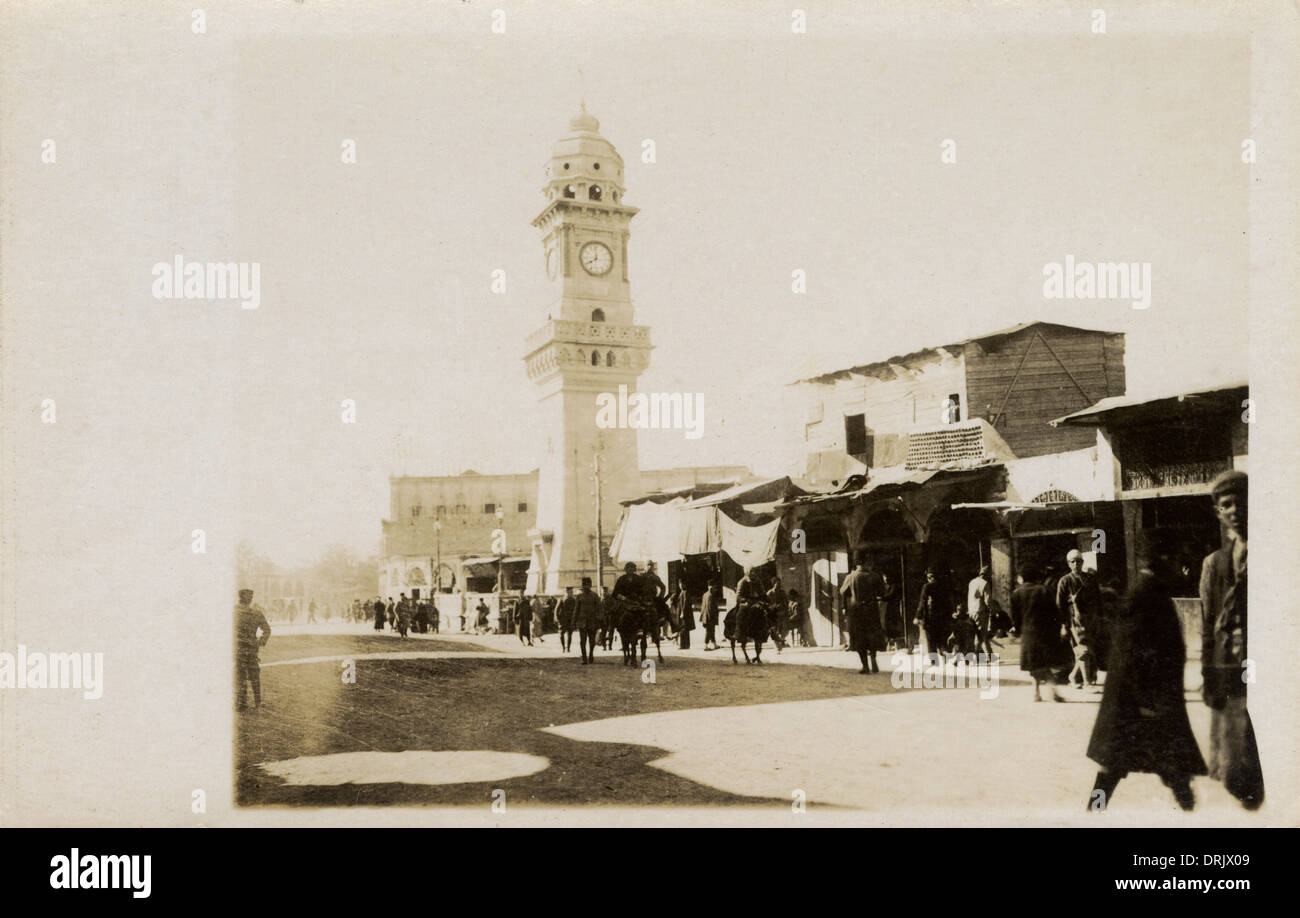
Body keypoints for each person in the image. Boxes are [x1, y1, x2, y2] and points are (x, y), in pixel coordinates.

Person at [1087, 536, 1206, 811]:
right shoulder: (1146, 591)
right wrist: (1145, 701)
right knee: (1120, 767)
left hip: (1145, 703)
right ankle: (1091, 814)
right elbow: (1129, 653)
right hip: (1141, 704)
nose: (1182, 567)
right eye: (1178, 560)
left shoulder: (1151, 588)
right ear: (1163, 559)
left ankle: (1093, 813)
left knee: (1154, 766)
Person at [1199, 470, 1263, 810]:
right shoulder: (1215, 563)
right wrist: (1207, 674)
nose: (1235, 509)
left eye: (1241, 502)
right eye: (1227, 504)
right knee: (1236, 769)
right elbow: (1209, 622)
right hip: (1228, 667)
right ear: (1218, 513)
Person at [1014, 563, 1072, 702]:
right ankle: (1052, 692)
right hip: (1044, 632)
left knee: (1034, 664)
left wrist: (1017, 631)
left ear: (1022, 577)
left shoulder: (1016, 593)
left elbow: (1015, 617)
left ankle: (1037, 692)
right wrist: (1059, 628)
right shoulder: (1043, 590)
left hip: (1027, 633)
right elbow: (1054, 612)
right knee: (1044, 664)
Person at [1057, 550, 1101, 689]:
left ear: (1083, 562)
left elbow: (1098, 599)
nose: (1076, 564)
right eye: (1073, 561)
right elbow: (1059, 605)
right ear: (1068, 564)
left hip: (1091, 619)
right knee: (1083, 650)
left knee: (1087, 650)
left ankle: (1074, 677)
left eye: (1079, 560)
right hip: (1075, 620)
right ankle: (1087, 682)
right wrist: (1063, 624)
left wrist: (1099, 617)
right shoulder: (1065, 580)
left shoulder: (1090, 579)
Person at [840, 552, 886, 673]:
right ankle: (874, 661)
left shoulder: (850, 577)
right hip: (871, 610)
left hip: (856, 611)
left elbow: (843, 592)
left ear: (856, 563)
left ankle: (865, 666)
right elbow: (882, 593)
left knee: (859, 637)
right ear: (866, 562)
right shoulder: (875, 576)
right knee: (872, 635)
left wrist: (844, 606)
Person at [235, 589, 271, 711]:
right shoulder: (256, 613)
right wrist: (261, 642)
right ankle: (257, 702)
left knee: (240, 675)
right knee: (254, 675)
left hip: (238, 649)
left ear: (239, 598)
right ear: (250, 599)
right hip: (252, 649)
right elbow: (267, 629)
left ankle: (242, 703)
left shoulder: (233, 613)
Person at [914, 568, 951, 662]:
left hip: (930, 616)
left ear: (930, 577)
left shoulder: (927, 587)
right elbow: (948, 602)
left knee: (930, 639)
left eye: (928, 577)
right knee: (940, 637)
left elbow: (922, 602)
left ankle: (934, 661)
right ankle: (944, 651)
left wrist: (917, 616)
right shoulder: (943, 586)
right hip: (942, 616)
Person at [574, 577, 603, 664]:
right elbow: (576, 610)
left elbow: (599, 609)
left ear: (590, 585)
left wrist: (599, 620)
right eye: (584, 585)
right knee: (582, 641)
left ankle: (590, 654)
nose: (586, 587)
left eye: (587, 585)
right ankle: (584, 658)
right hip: (582, 622)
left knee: (591, 640)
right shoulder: (579, 597)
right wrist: (573, 621)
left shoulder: (595, 596)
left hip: (592, 622)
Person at [967, 565, 994, 656]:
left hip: (972, 610)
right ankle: (988, 655)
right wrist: (992, 610)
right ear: (987, 575)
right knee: (983, 634)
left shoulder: (972, 582)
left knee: (978, 634)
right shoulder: (985, 583)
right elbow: (988, 600)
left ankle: (979, 654)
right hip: (981, 611)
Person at [765, 576, 787, 652]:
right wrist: (773, 607)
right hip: (772, 615)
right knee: (774, 631)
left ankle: (780, 642)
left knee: (783, 630)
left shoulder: (782, 592)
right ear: (773, 584)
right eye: (777, 584)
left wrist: (784, 609)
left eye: (779, 584)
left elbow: (786, 603)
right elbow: (766, 604)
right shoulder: (769, 593)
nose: (779, 585)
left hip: (781, 613)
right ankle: (778, 647)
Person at [700, 581, 722, 651]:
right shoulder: (710, 596)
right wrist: (713, 617)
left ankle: (714, 644)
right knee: (709, 631)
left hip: (706, 616)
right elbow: (710, 608)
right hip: (709, 617)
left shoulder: (705, 594)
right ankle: (705, 645)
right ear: (711, 587)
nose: (716, 589)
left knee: (712, 630)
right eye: (715, 588)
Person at [556, 586, 577, 653]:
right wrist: (557, 618)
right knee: (561, 634)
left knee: (570, 634)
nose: (570, 593)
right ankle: (563, 647)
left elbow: (576, 610)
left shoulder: (574, 600)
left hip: (570, 620)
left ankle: (568, 648)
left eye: (571, 592)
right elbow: (556, 610)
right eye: (569, 592)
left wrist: (575, 620)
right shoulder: (561, 599)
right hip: (563, 620)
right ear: (566, 592)